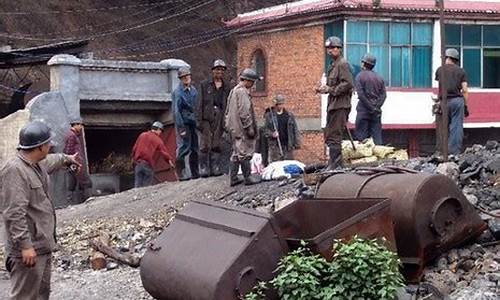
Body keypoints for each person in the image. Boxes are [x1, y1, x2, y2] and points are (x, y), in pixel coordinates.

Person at [0, 120, 80, 300]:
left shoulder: (36, 164)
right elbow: (13, 213)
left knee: (41, 295)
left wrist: (67, 159)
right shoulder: (15, 171)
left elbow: (52, 160)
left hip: (42, 246)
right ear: (39, 147)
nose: (50, 146)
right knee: (24, 296)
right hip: (27, 251)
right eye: (48, 143)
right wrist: (25, 246)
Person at [315, 36, 354, 170]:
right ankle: (334, 162)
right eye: (328, 48)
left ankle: (335, 164)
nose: (330, 51)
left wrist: (331, 89)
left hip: (341, 105)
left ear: (339, 49)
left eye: (332, 48)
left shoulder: (342, 64)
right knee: (330, 134)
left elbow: (348, 84)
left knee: (335, 134)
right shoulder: (333, 65)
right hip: (333, 105)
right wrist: (323, 89)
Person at [224, 68, 262, 186]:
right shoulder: (242, 92)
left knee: (236, 152)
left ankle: (234, 178)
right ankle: (247, 177)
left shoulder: (233, 90)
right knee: (244, 152)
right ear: (247, 81)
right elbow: (244, 112)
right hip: (241, 128)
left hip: (233, 127)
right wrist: (249, 127)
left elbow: (227, 111)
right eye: (252, 82)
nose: (253, 84)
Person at [196, 59, 230, 177]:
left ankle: (215, 167)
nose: (219, 72)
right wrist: (199, 121)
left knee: (217, 143)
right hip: (206, 117)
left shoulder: (227, 87)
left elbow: (228, 104)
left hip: (220, 117)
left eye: (221, 70)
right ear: (213, 71)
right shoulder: (204, 85)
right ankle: (204, 167)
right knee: (205, 144)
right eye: (217, 70)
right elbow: (199, 103)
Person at [435, 48, 469, 155]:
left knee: (443, 127)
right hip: (457, 101)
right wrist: (465, 105)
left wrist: (439, 102)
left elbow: (440, 87)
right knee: (456, 127)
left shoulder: (440, 70)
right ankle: (454, 152)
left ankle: (441, 151)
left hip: (444, 101)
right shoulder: (461, 71)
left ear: (448, 58)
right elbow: (465, 90)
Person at [173, 67, 199, 181]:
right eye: (183, 77)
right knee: (184, 146)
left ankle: (195, 172)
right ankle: (181, 172)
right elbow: (176, 110)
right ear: (180, 79)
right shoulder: (177, 92)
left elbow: (197, 106)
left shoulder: (193, 90)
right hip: (184, 122)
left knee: (195, 147)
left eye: (187, 76)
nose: (186, 79)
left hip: (193, 122)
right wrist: (181, 127)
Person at [354, 53, 387, 145]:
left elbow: (361, 95)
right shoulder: (379, 78)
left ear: (364, 64)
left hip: (363, 111)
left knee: (361, 139)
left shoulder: (359, 76)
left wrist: (370, 108)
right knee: (377, 138)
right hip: (376, 113)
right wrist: (376, 107)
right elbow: (384, 95)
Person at [131, 121, 174, 187]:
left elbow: (134, 148)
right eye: (161, 131)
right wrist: (170, 162)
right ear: (158, 129)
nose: (160, 133)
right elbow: (164, 153)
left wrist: (133, 159)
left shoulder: (142, 135)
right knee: (147, 188)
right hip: (147, 165)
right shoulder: (158, 140)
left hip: (138, 165)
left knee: (137, 187)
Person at [263, 94, 301, 163]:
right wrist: (272, 134)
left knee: (288, 165)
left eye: (281, 104)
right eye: (278, 104)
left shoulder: (289, 115)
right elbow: (265, 130)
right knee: (276, 165)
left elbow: (294, 129)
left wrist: (296, 143)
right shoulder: (270, 116)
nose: (280, 106)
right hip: (275, 146)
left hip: (287, 146)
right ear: (275, 105)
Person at [63, 117, 92, 204]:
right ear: (75, 125)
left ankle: (71, 203)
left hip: (72, 163)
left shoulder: (70, 134)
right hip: (74, 163)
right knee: (85, 182)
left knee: (73, 184)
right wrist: (72, 163)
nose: (81, 127)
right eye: (80, 124)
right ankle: (87, 201)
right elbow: (69, 150)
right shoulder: (72, 136)